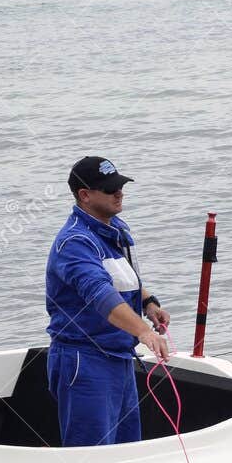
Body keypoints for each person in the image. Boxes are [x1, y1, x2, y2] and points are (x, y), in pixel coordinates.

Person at [44, 156, 170, 447]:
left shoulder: (114, 229)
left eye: (120, 185)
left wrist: (148, 301)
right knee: (91, 457)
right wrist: (143, 331)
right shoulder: (74, 243)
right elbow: (101, 295)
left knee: (126, 451)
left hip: (120, 358)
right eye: (109, 188)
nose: (119, 192)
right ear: (84, 195)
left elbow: (122, 278)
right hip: (84, 362)